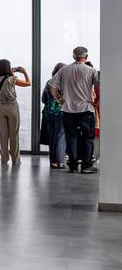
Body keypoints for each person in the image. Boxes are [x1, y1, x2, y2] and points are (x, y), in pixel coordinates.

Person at [49, 46, 101, 175]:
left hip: (68, 109)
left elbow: (52, 85)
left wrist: (59, 99)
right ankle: (86, 166)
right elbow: (100, 85)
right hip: (86, 109)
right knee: (88, 138)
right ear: (86, 57)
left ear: (73, 56)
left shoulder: (64, 70)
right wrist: (97, 102)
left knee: (71, 137)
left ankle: (72, 165)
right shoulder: (91, 70)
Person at [0, 59, 31, 165]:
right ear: (8, 68)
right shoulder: (12, 79)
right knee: (14, 135)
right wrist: (23, 71)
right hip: (12, 107)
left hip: (0, 108)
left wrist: (9, 72)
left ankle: (4, 159)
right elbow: (28, 83)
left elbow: (3, 80)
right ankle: (15, 160)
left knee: (3, 135)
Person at [41, 63, 68, 169]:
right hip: (61, 113)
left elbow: (43, 99)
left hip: (48, 114)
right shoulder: (65, 83)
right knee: (60, 136)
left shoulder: (49, 82)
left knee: (52, 137)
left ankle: (53, 161)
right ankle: (58, 162)